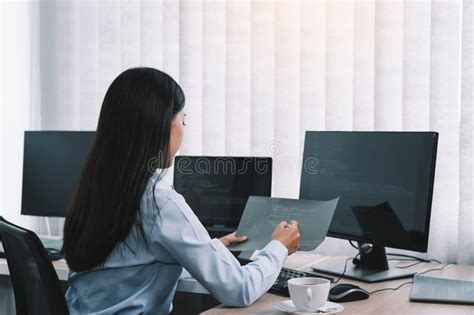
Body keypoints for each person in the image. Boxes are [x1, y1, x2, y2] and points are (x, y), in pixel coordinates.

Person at [62, 67, 301, 314]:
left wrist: (209, 249)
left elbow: (129, 267)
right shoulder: (159, 199)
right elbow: (239, 289)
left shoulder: (98, 186)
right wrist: (279, 247)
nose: (183, 130)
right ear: (161, 125)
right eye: (183, 120)